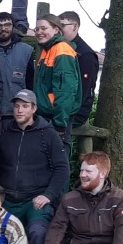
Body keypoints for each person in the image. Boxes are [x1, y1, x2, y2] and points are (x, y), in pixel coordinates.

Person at [0, 89, 69, 244]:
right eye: (17, 106)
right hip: (7, 199)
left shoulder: (48, 134)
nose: (19, 110)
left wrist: (48, 195)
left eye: (25, 106)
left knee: (37, 232)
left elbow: (62, 168)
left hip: (35, 200)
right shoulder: (4, 134)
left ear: (34, 109)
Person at [33, 13, 81, 151]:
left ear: (56, 30)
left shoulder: (61, 50)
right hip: (47, 116)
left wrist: (60, 122)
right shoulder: (46, 50)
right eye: (37, 29)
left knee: (58, 161)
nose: (39, 32)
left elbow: (66, 90)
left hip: (57, 118)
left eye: (44, 28)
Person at [0, 12, 34, 122]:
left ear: (13, 27)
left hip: (19, 114)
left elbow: (31, 83)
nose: (3, 28)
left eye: (7, 25)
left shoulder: (26, 51)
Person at [59, 11, 99, 128]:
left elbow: (84, 91)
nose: (58, 30)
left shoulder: (86, 55)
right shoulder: (60, 48)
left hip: (75, 113)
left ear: (75, 27)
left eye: (62, 26)